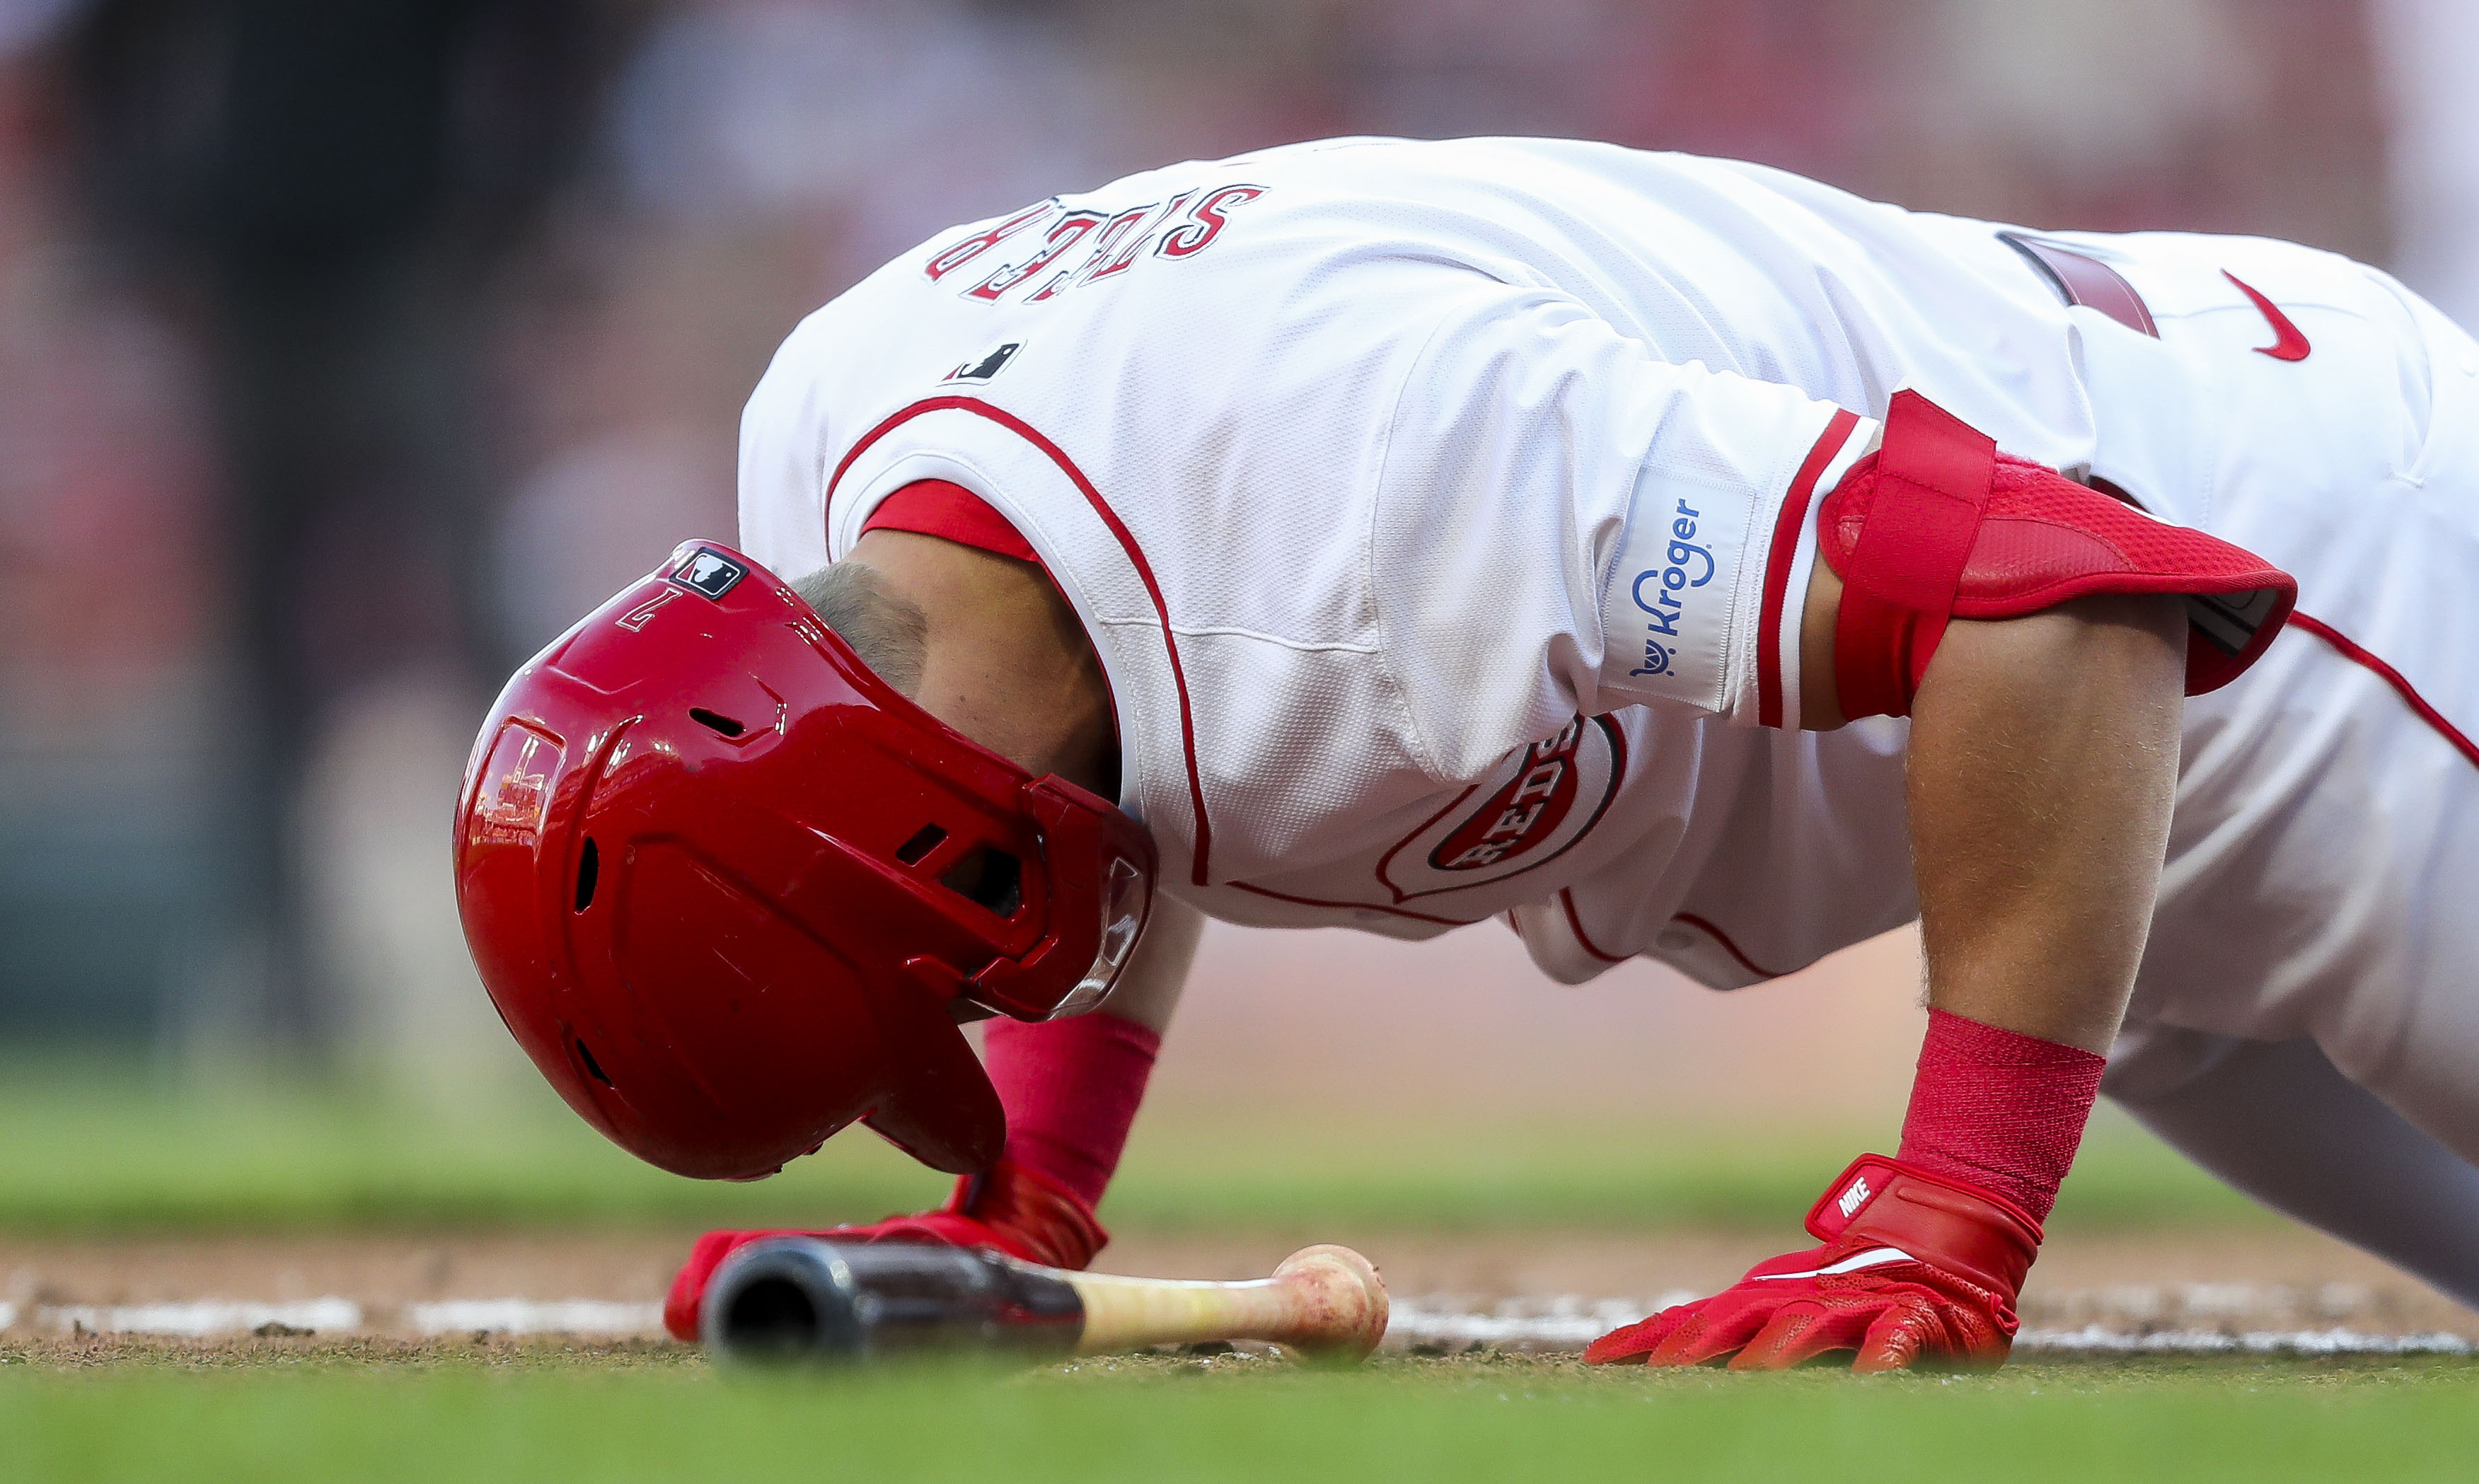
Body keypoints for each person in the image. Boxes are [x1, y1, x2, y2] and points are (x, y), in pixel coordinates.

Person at [455, 137, 2479, 1371]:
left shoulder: (1394, 471)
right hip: (2104, 869)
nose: (976, 994)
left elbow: (2075, 591)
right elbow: (1088, 738)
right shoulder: (843, 461)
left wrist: (1949, 1209)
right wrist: (1036, 1194)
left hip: (2332, 620)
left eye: (936, 971)